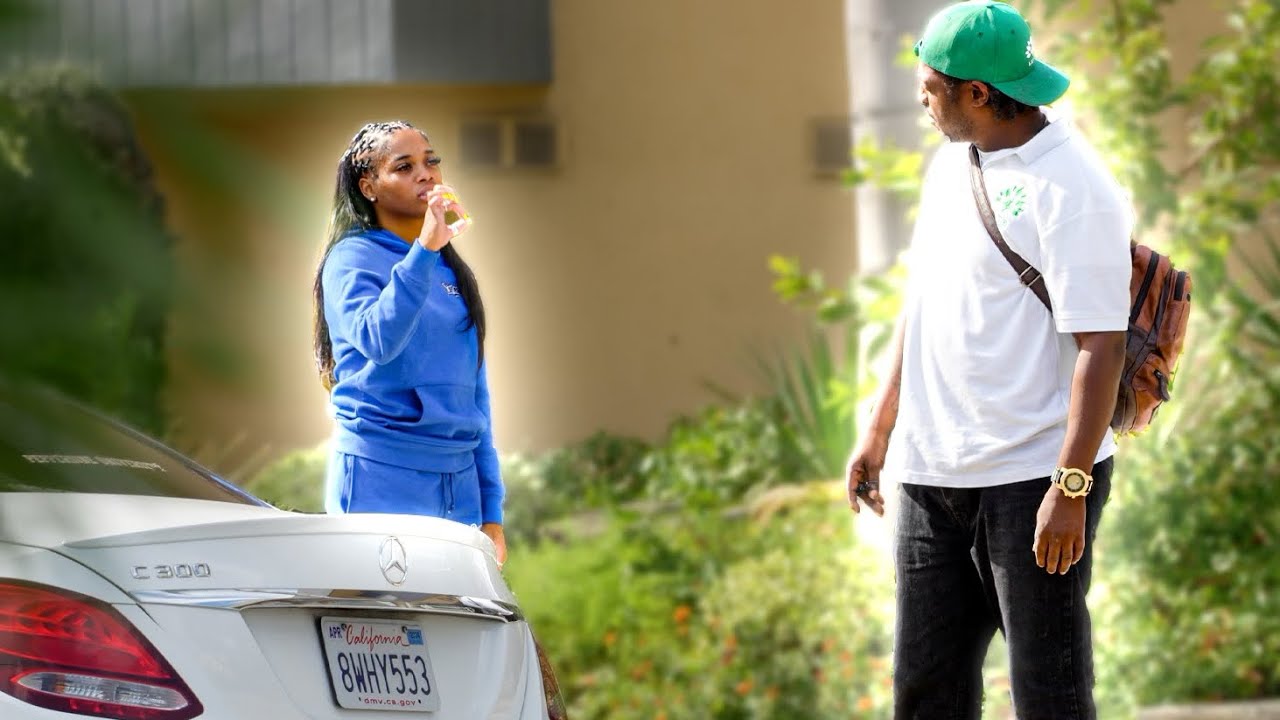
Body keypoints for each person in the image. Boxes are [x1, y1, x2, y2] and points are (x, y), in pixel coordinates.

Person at [845, 3, 1131, 718]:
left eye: (932, 86)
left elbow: (1103, 342)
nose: (921, 97)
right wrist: (881, 428)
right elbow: (926, 303)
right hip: (931, 476)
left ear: (979, 92)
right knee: (925, 695)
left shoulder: (1072, 186)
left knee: (1049, 696)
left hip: (1031, 477)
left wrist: (1069, 489)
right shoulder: (952, 166)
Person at [312, 120, 506, 565]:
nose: (426, 174)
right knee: (379, 629)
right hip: (381, 475)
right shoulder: (351, 258)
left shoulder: (450, 270)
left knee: (450, 627)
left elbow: (474, 394)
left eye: (430, 162)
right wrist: (423, 251)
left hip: (457, 486)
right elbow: (378, 340)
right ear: (369, 186)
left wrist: (491, 509)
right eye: (404, 166)